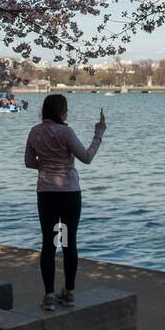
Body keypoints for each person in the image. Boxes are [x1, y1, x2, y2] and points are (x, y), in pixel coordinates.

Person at [24, 94, 106, 310]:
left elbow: (29, 162)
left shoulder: (35, 131)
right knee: (69, 242)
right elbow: (86, 157)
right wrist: (99, 133)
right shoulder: (66, 132)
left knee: (49, 244)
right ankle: (69, 292)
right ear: (62, 112)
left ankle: (49, 296)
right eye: (66, 109)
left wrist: (46, 165)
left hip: (47, 194)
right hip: (69, 194)